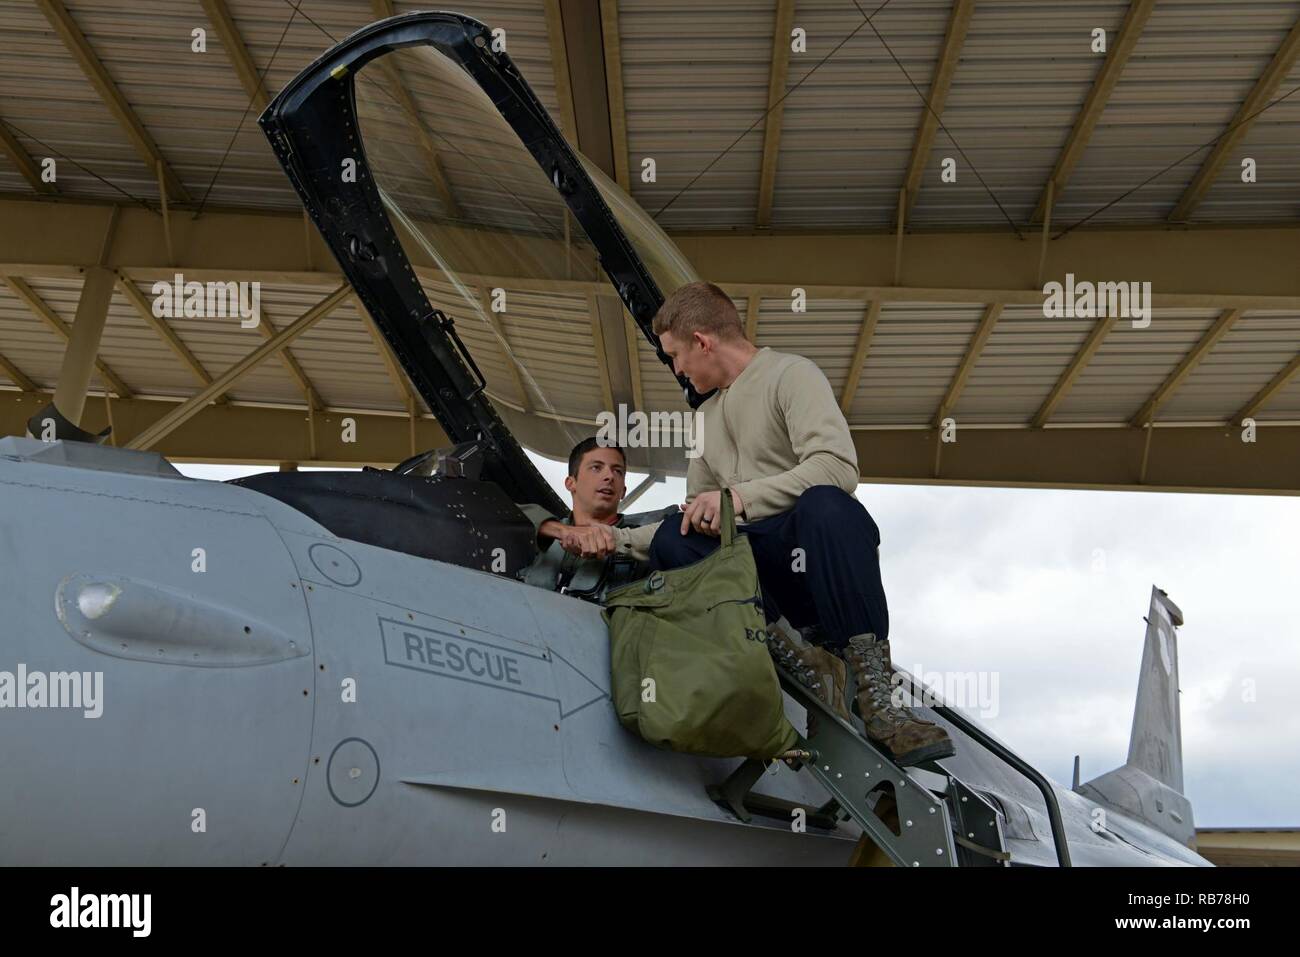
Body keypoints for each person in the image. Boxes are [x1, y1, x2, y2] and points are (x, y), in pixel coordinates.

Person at [633, 281, 955, 768]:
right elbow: (696, 510)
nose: (676, 369)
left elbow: (837, 466)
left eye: (676, 355)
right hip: (755, 581)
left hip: (812, 565)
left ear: (702, 341)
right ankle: (804, 662)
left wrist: (738, 498)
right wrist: (617, 537)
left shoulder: (791, 375)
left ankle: (880, 703)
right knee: (673, 543)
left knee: (828, 505)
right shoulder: (704, 421)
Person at [519, 437, 665, 600]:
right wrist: (561, 531)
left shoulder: (641, 547)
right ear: (570, 483)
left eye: (618, 471)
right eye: (596, 467)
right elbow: (495, 511)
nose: (609, 476)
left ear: (623, 491)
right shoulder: (540, 534)